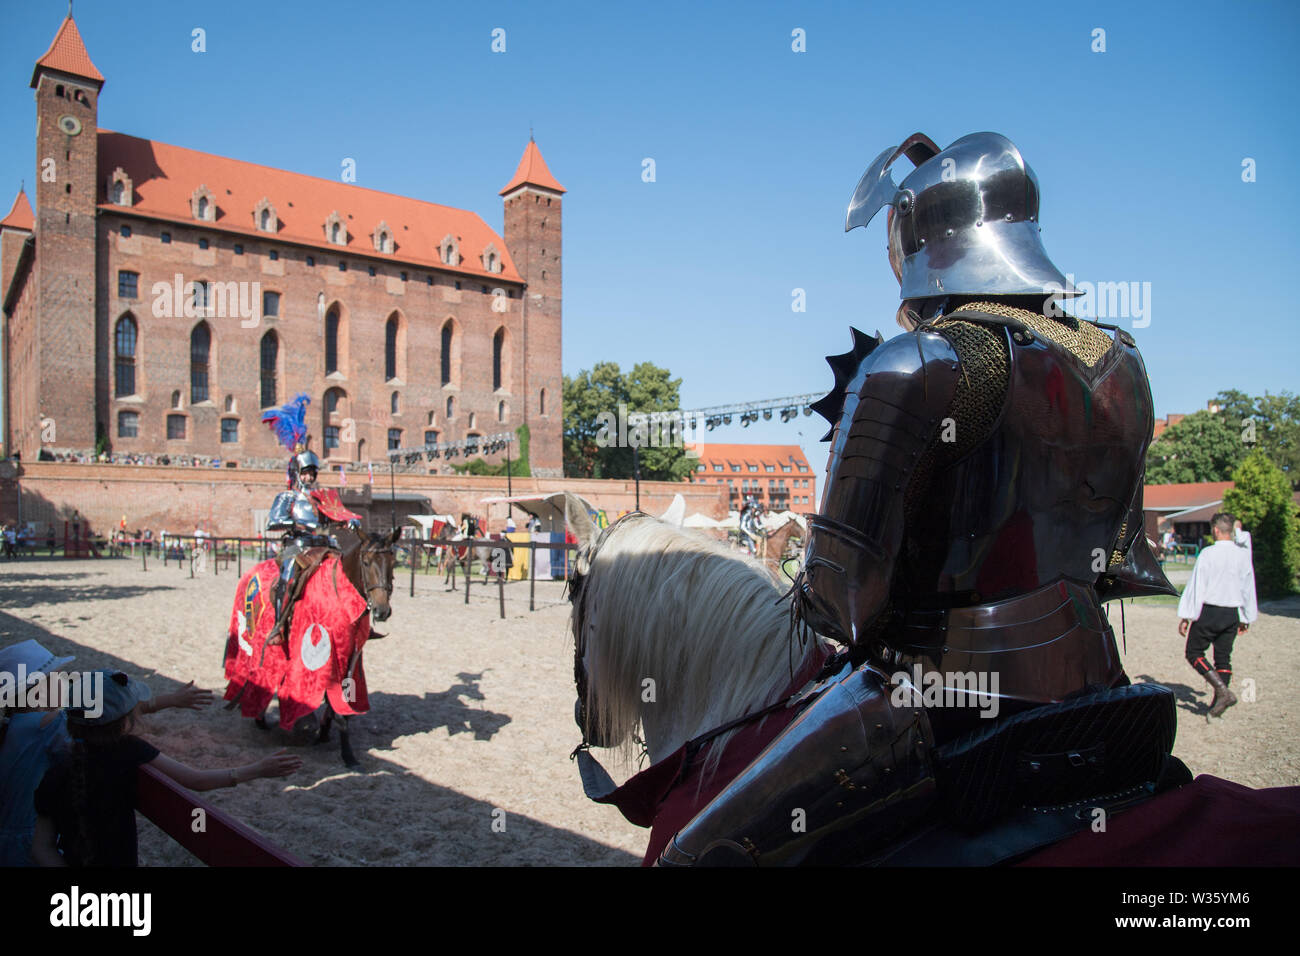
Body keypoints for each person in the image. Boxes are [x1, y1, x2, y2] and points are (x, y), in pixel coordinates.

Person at [656, 132, 1186, 866]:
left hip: (935, 694)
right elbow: (1120, 557)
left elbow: (842, 603)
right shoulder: (1122, 358)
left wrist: (807, 585)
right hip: (1095, 677)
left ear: (915, 236)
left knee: (700, 857)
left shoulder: (919, 362)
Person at [30, 670, 299, 867]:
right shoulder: (130, 749)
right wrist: (257, 769)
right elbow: (196, 780)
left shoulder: (59, 768)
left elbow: (41, 848)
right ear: (126, 721)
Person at [0, 641, 214, 867]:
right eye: (57, 678)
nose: (64, 683)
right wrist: (167, 701)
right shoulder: (46, 725)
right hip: (28, 843)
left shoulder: (12, 724)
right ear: (37, 689)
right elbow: (102, 715)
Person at [1178, 512, 1258, 717]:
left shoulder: (1208, 553)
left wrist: (1187, 615)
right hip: (1232, 613)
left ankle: (1222, 692)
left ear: (1215, 530)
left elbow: (1197, 586)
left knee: (1194, 653)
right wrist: (1246, 617)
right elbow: (1248, 588)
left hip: (1210, 611)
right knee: (1223, 659)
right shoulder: (1242, 555)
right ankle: (1217, 707)